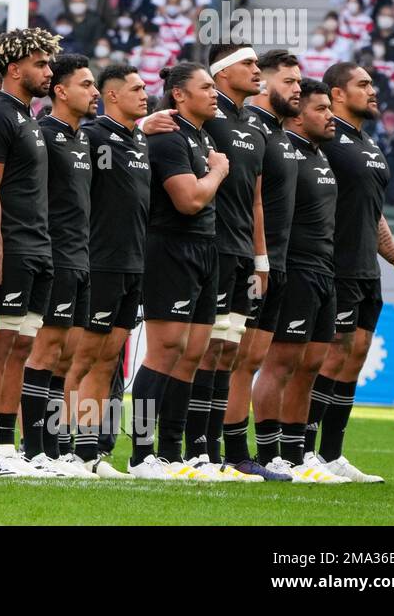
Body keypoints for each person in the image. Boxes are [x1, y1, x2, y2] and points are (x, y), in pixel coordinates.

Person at [310, 62, 394, 481]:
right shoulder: (323, 139)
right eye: (363, 84)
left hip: (365, 268)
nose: (373, 91)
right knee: (326, 357)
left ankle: (331, 454)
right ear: (337, 93)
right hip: (332, 266)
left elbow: (374, 215)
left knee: (354, 358)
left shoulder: (369, 146)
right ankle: (302, 452)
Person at [129, 62, 229, 479]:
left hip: (206, 250)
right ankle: (140, 453)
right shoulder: (169, 137)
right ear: (179, 95)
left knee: (192, 355)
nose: (214, 93)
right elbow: (188, 201)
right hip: (171, 249)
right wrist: (220, 171)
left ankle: (173, 452)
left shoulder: (201, 136)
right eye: (205, 87)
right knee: (166, 350)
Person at [0, 27, 61, 478]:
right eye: (40, 64)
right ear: (14, 69)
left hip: (37, 245)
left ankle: (8, 446)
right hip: (13, 246)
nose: (48, 71)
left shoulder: (28, 115)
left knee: (21, 347)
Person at [256, 79, 350, 483]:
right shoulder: (285, 154)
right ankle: (268, 452)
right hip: (294, 269)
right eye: (322, 109)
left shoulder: (321, 155)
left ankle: (297, 454)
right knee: (281, 364)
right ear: (297, 116)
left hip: (324, 271)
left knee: (311, 365)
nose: (331, 116)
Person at [223, 49, 302, 481]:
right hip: (253, 262)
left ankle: (237, 453)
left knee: (248, 359)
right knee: (236, 358)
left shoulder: (279, 133)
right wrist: (259, 259)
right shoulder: (245, 125)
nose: (297, 89)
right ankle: (229, 453)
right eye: (289, 81)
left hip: (277, 261)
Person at [21, 53, 101, 478]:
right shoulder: (42, 135)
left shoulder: (84, 138)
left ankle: (52, 447)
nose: (95, 93)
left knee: (69, 359)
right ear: (60, 90)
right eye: (86, 85)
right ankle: (34, 448)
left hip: (81, 256)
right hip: (53, 256)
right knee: (46, 352)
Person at [72, 64, 152, 478]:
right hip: (99, 262)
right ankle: (56, 448)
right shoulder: (92, 136)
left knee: (107, 362)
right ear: (113, 96)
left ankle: (88, 452)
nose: (145, 94)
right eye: (137, 89)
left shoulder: (139, 137)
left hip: (132, 264)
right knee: (81, 358)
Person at [193, 43, 267, 481]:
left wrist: (262, 260)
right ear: (222, 73)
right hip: (208, 247)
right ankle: (192, 450)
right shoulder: (204, 118)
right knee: (201, 352)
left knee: (226, 352)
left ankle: (217, 452)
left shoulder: (253, 128)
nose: (257, 71)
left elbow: (256, 201)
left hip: (242, 253)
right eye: (249, 64)